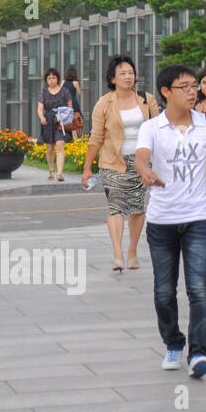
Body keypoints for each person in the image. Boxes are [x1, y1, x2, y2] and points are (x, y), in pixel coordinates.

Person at [136, 64, 206, 379]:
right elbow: (141, 156)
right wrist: (146, 172)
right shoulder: (152, 127)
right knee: (164, 290)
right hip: (162, 220)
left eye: (195, 86)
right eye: (185, 87)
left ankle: (199, 352)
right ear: (166, 92)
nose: (194, 92)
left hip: (199, 217)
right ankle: (173, 342)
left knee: (199, 288)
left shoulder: (205, 124)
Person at [83, 56, 160, 272]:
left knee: (136, 208)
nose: (128, 77)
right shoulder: (104, 103)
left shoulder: (147, 100)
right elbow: (96, 136)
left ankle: (132, 250)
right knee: (116, 206)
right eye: (123, 73)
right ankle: (117, 254)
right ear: (113, 78)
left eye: (131, 72)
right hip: (112, 161)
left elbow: (159, 130)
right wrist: (87, 167)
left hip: (141, 162)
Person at [36, 68, 74, 181]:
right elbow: (39, 108)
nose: (51, 80)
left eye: (54, 77)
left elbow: (70, 106)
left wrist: (67, 117)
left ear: (57, 78)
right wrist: (41, 117)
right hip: (48, 122)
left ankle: (60, 173)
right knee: (50, 148)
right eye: (49, 78)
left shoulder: (65, 91)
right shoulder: (43, 92)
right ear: (46, 80)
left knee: (60, 144)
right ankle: (51, 171)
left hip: (61, 122)